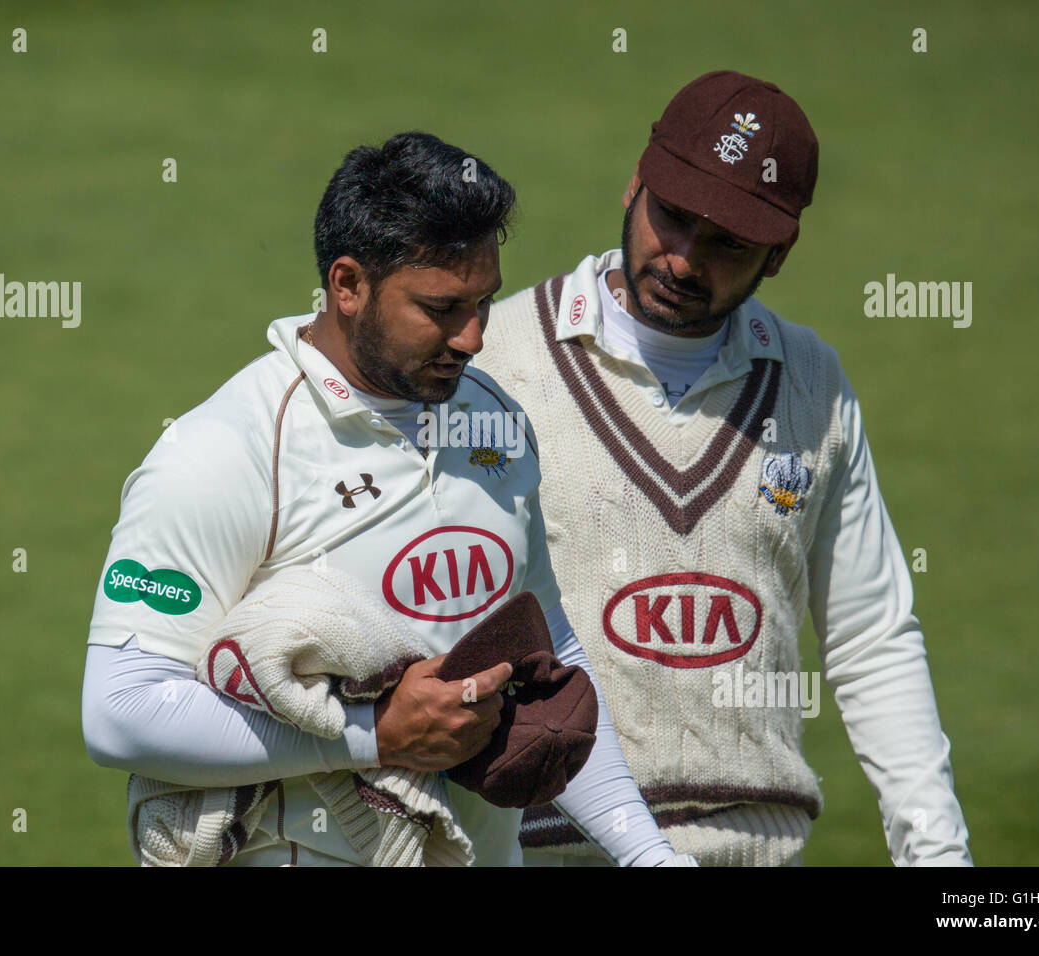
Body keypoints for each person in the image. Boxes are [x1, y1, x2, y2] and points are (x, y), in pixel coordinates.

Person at [81, 131, 689, 866]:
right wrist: (373, 734)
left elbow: (547, 655)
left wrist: (648, 855)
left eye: (485, 303)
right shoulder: (222, 452)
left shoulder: (494, 422)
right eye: (439, 308)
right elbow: (121, 711)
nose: (471, 338)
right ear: (347, 284)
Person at [475, 71, 973, 866]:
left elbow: (871, 636)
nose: (682, 260)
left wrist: (941, 860)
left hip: (754, 849)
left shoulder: (811, 382)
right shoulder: (493, 363)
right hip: (545, 849)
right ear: (635, 181)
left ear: (780, 253)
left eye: (727, 244)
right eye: (672, 218)